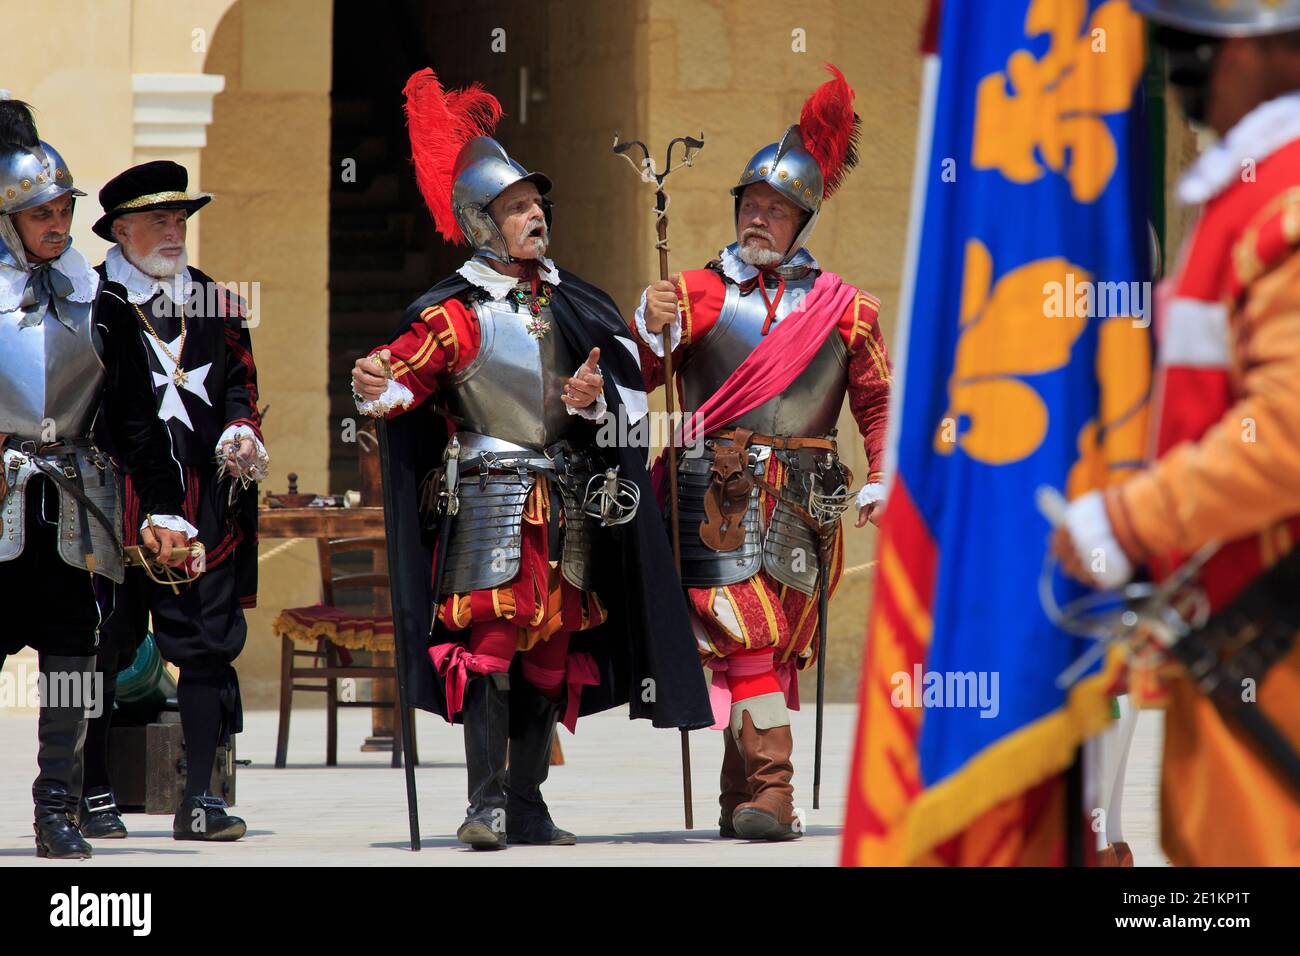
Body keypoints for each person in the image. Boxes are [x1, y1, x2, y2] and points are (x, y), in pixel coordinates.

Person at [352, 70, 711, 850]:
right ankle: (483, 803)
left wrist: (627, 360)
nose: (535, 215)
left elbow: (635, 377)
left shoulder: (574, 299)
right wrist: (373, 381)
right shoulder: (455, 313)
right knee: (490, 643)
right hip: (490, 497)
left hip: (572, 499)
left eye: (536, 203)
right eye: (517, 207)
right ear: (482, 223)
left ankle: (526, 800)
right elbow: (398, 387)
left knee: (552, 650)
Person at [1053, 0, 1300, 865]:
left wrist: (1129, 521)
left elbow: (1288, 431)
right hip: (1231, 642)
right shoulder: (1247, 192)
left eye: (1208, 42)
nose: (1188, 64)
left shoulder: (1287, 199)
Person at [633, 65, 892, 840]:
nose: (759, 219)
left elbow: (878, 402)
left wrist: (884, 475)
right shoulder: (696, 290)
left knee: (778, 648)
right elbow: (642, 375)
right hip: (718, 492)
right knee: (746, 633)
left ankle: (737, 794)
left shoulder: (850, 310)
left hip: (810, 500)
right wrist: (650, 324)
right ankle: (775, 795)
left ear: (800, 221)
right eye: (751, 206)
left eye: (775, 211)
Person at [0, 98, 191, 859]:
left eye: (63, 210)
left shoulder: (101, 302)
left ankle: (58, 808)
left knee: (74, 669)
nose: (56, 224)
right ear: (8, 219)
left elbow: (138, 420)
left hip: (75, 510)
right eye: (41, 212)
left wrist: (169, 506)